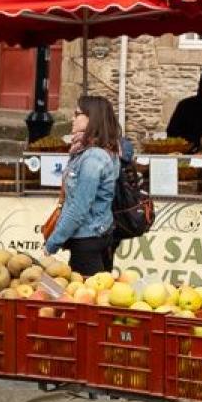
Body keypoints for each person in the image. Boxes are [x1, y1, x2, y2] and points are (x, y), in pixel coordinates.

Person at [43, 96, 120, 276]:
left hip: (88, 241)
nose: (72, 118)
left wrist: (52, 243)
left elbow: (79, 208)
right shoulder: (93, 151)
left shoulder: (93, 157)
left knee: (84, 291)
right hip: (96, 235)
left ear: (92, 118)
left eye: (77, 114)